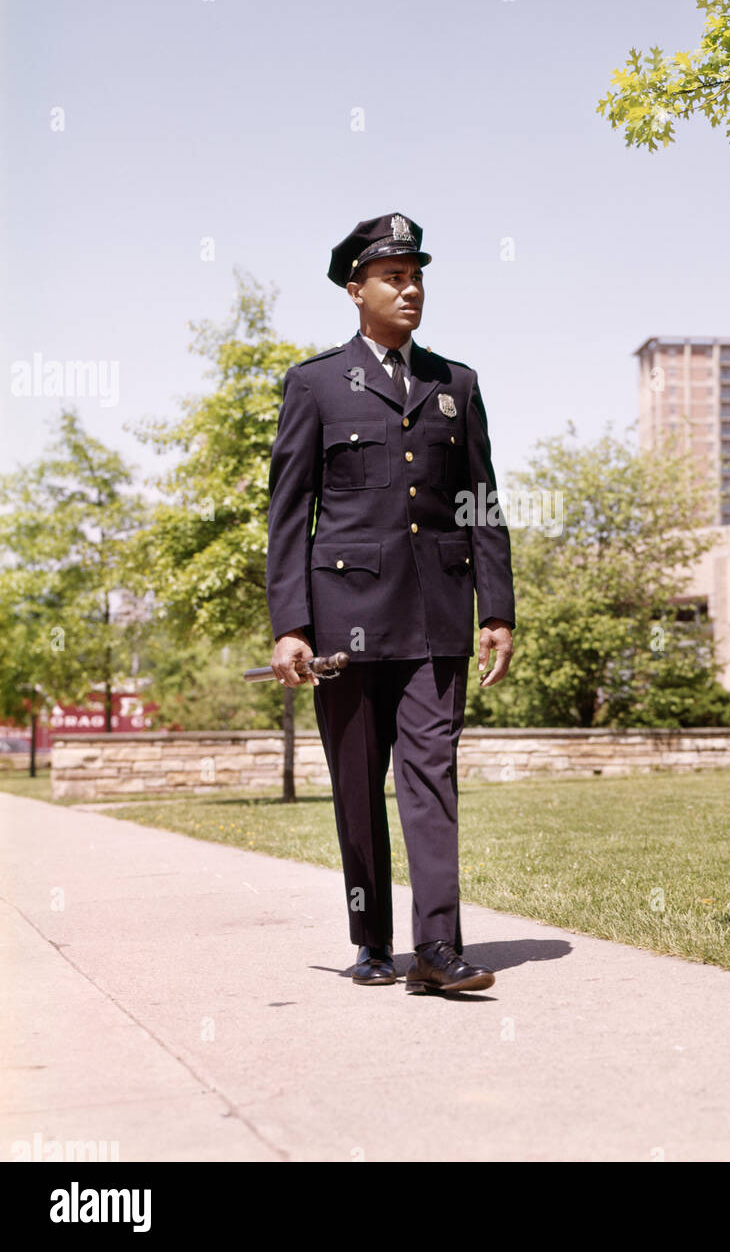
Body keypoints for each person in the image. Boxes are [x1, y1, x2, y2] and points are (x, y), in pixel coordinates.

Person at [266, 212, 515, 993]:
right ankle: (371, 939)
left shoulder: (456, 385)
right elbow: (288, 513)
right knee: (355, 787)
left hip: (437, 617)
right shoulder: (313, 384)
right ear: (356, 290)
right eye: (393, 278)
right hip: (343, 622)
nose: (409, 291)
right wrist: (290, 626)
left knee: (431, 779)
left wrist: (497, 611)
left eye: (417, 278)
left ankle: (438, 950)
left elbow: (482, 504)